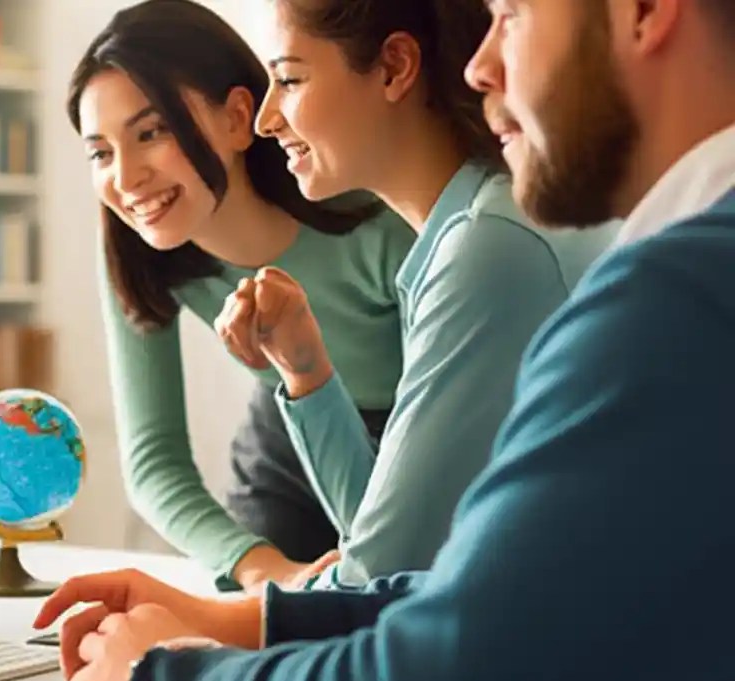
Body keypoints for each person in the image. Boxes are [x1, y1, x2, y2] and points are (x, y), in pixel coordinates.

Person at [34, 0, 735, 681]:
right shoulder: (632, 267)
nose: (479, 67)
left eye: (514, 15)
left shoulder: (623, 285)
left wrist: (161, 680)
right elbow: (497, 588)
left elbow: (427, 667)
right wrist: (240, 613)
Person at [210, 0, 611, 589]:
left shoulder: (489, 248)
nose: (267, 118)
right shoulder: (465, 233)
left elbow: (383, 568)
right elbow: (384, 538)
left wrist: (198, 624)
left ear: (395, 67)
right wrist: (308, 374)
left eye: (290, 79)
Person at [73, 0, 416, 591]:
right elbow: (154, 463)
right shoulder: (138, 258)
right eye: (101, 152)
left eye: (151, 132)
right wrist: (260, 568)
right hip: (285, 445)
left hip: (417, 432)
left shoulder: (374, 221)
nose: (126, 179)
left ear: (238, 119)